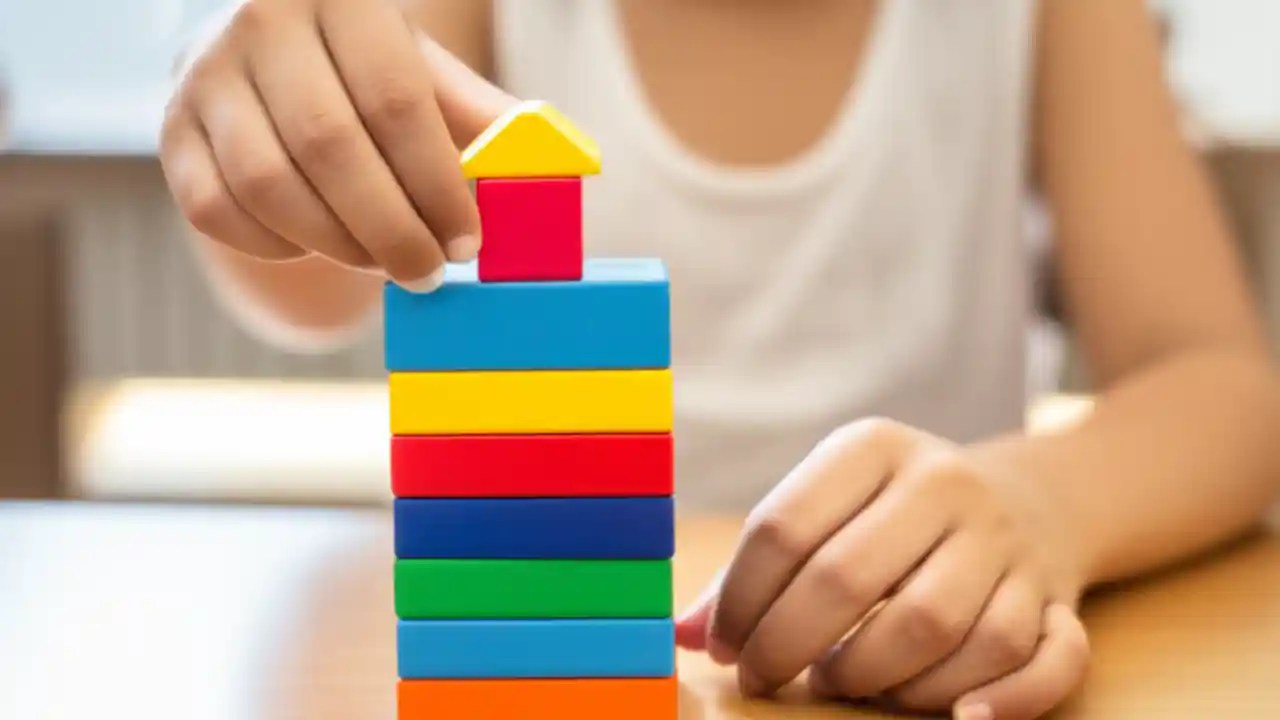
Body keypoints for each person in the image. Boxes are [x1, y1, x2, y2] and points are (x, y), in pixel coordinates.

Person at [159, 1, 1280, 718]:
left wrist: (1044, 503)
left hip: (893, 671)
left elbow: (1219, 383)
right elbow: (298, 284)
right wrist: (248, 85)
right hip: (532, 657)